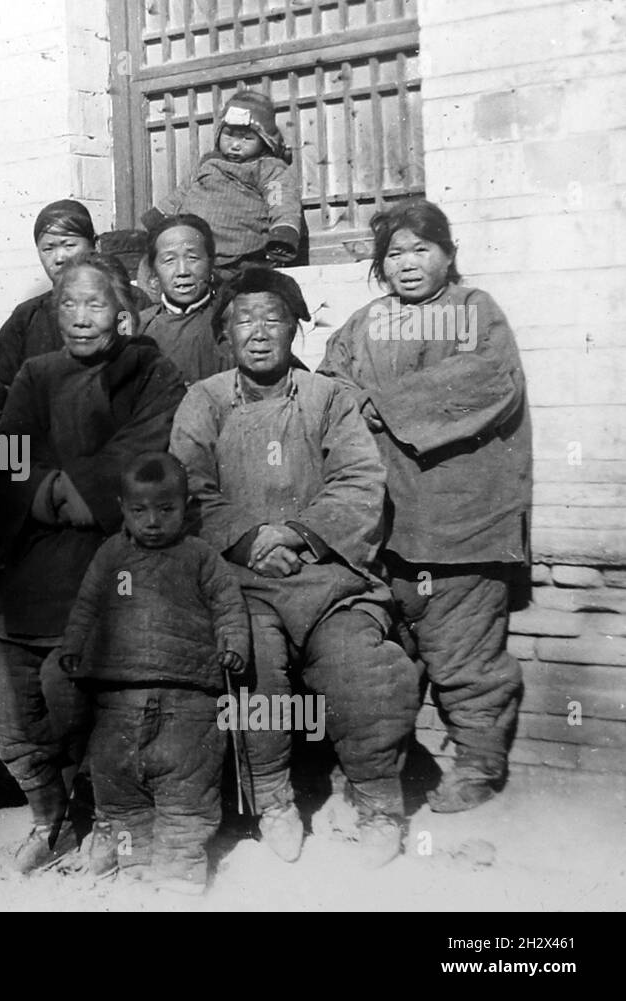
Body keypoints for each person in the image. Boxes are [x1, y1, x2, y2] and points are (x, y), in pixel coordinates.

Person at [169, 266, 420, 869]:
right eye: (244, 320)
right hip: (243, 582)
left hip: (329, 578)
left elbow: (361, 481)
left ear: (294, 329)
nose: (259, 332)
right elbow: (187, 488)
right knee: (255, 668)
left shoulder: (327, 397)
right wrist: (251, 537)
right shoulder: (203, 400)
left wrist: (295, 534)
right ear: (226, 333)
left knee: (364, 671)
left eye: (273, 318)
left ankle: (380, 803)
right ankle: (275, 800)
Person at [0, 255, 187, 873]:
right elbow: (8, 455)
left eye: (95, 304)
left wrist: (75, 493)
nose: (80, 317)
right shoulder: (37, 373)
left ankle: (111, 816)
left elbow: (144, 451)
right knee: (8, 709)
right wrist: (44, 494)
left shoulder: (151, 369)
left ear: (122, 314)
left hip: (112, 553)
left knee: (75, 696)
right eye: (67, 304)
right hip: (33, 555)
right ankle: (49, 814)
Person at [319, 199, 530, 812]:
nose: (408, 265)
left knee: (465, 653)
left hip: (462, 521)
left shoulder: (475, 312)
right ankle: (388, 766)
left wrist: (381, 406)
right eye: (394, 254)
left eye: (421, 250)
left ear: (447, 255)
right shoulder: (364, 322)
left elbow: (487, 382)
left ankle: (477, 764)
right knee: (391, 657)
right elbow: (331, 388)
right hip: (385, 525)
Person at [59, 452, 249, 894]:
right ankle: (136, 865)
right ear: (122, 506)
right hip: (117, 697)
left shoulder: (200, 556)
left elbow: (228, 604)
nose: (153, 522)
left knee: (187, 796)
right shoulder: (110, 554)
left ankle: (180, 873)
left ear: (186, 506)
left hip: (189, 700)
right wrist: (74, 645)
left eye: (167, 510)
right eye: (139, 510)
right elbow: (87, 604)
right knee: (120, 792)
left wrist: (234, 644)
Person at [142, 90, 302, 274]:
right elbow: (183, 192)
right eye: (229, 136)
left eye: (246, 138)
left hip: (238, 249)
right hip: (192, 243)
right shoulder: (208, 163)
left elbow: (280, 201)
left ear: (265, 141)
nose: (235, 144)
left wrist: (283, 230)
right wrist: (159, 217)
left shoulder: (268, 168)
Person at [0, 199, 97, 386]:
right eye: (48, 248)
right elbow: (1, 384)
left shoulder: (126, 305)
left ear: (95, 245)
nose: (59, 258)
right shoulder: (25, 318)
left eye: (69, 245)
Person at [135, 214, 232, 385]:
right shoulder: (138, 325)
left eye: (192, 258)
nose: (182, 271)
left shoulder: (230, 321)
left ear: (211, 262)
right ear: (154, 269)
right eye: (169, 260)